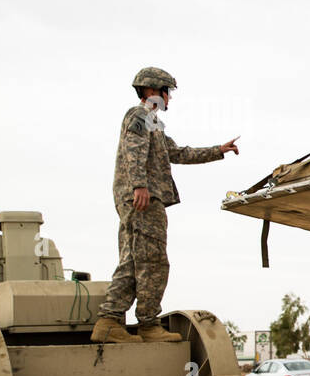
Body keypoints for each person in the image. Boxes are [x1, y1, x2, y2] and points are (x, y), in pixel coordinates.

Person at [90, 68, 240, 344]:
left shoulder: (153, 123)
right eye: (167, 91)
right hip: (143, 200)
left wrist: (218, 150)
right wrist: (139, 185)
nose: (170, 97)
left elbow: (177, 153)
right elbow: (132, 148)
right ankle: (148, 324)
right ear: (153, 91)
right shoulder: (141, 114)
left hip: (140, 198)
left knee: (135, 261)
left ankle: (109, 321)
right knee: (153, 262)